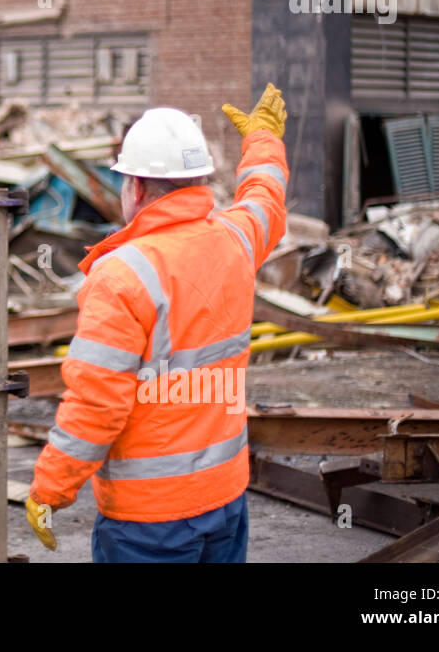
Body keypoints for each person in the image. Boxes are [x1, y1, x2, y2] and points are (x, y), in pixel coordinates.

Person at [25, 84, 289, 562]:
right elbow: (265, 198)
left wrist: (50, 490)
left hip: (150, 522)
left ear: (135, 186)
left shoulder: (122, 275)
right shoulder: (235, 240)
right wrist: (264, 140)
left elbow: (96, 404)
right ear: (198, 183)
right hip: (226, 498)